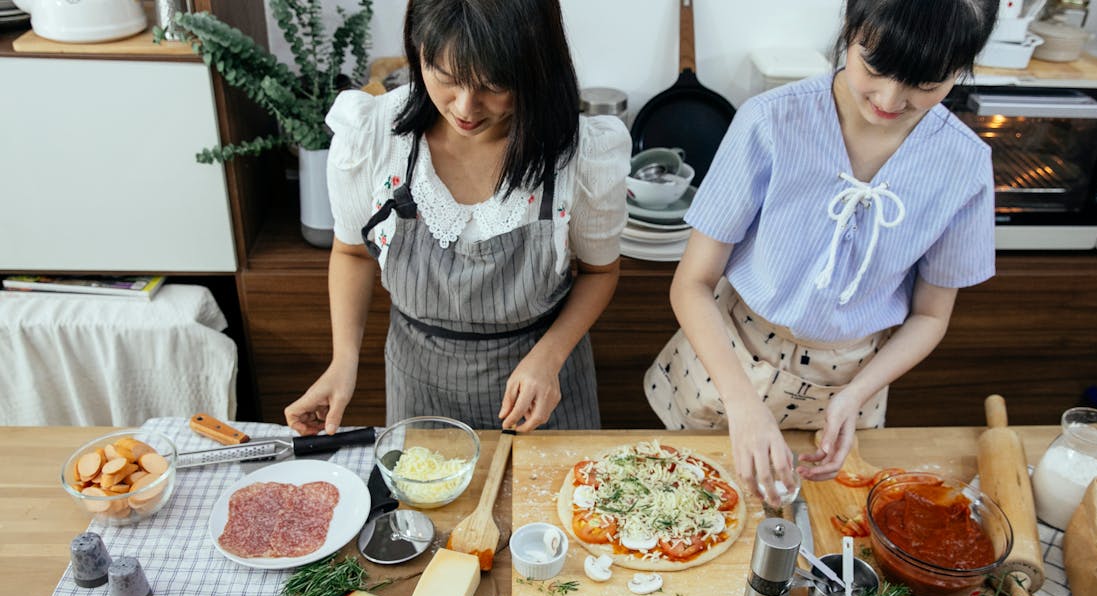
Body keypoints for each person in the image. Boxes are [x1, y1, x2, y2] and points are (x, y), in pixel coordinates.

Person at [644, 0, 999, 504]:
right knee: (680, 509)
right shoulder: (771, 121)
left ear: (962, 68)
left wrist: (855, 397)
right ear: (850, 30)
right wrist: (742, 403)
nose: (890, 98)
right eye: (874, 66)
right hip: (728, 359)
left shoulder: (963, 165)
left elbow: (930, 316)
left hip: (852, 378)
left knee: (826, 524)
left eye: (926, 83)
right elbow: (692, 282)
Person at [286, 0, 630, 436]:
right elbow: (352, 253)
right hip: (419, 387)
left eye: (493, 85)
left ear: (534, 66)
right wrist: (343, 363)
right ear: (417, 51)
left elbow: (600, 272)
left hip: (543, 390)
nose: (466, 107)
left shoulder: (580, 153)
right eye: (445, 78)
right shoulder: (373, 136)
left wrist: (550, 356)